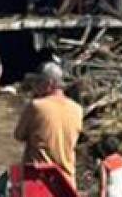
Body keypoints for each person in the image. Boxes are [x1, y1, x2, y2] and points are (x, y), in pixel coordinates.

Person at [14, 61, 84, 189]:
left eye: (38, 82)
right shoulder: (77, 109)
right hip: (67, 183)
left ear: (49, 84)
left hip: (40, 180)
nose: (35, 86)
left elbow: (19, 135)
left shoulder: (36, 106)